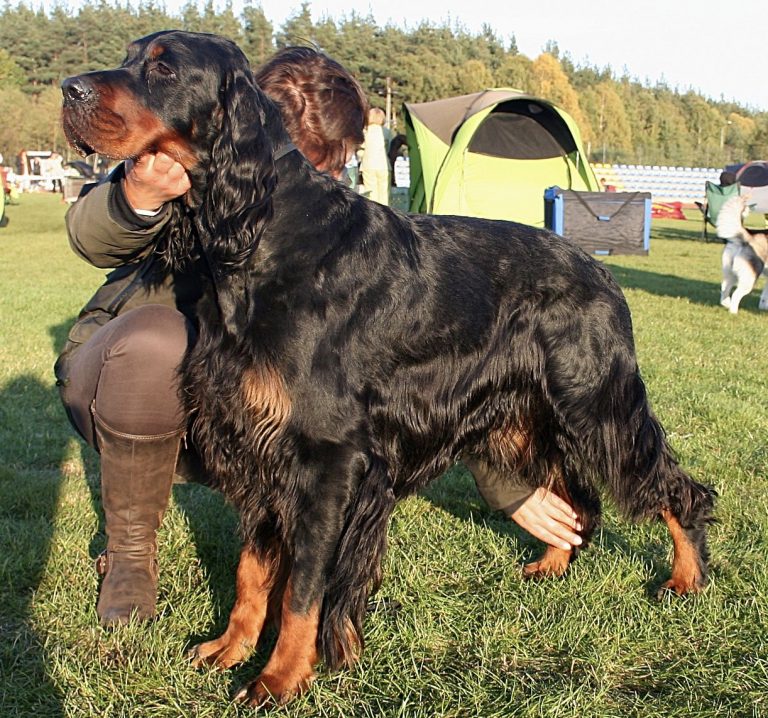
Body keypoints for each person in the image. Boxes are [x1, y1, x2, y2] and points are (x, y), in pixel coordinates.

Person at [56, 47, 579, 627]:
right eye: (315, 160)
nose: (320, 181)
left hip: (243, 405)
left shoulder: (332, 232)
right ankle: (130, 555)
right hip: (126, 379)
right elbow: (89, 239)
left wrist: (511, 486)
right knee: (158, 339)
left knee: (312, 436)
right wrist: (140, 194)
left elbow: (427, 373)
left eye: (336, 164)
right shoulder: (182, 167)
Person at [359, 106, 391, 206]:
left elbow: (361, 149)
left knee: (371, 193)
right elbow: (389, 148)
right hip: (384, 165)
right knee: (384, 193)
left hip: (368, 165)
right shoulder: (387, 132)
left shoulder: (365, 132)